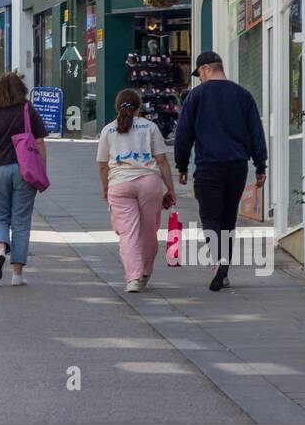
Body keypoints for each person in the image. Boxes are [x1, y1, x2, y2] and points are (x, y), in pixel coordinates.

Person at [172, 50, 267, 292]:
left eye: (199, 74)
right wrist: (260, 165)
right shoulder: (243, 96)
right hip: (237, 166)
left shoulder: (196, 96)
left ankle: (218, 261)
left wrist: (181, 165)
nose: (199, 78)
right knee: (228, 219)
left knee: (210, 217)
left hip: (208, 166)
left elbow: (183, 134)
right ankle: (223, 272)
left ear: (205, 69)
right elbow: (256, 131)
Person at [97, 89, 176, 292]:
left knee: (127, 233)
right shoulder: (150, 127)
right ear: (139, 107)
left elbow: (102, 165)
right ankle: (145, 272)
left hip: (120, 184)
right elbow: (162, 161)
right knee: (149, 231)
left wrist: (106, 189)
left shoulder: (108, 130)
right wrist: (170, 189)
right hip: (149, 183)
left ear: (117, 107)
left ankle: (132, 278)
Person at [0, 72, 47, 286]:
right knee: (21, 222)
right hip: (24, 171)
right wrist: (41, 169)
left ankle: (0, 249)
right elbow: (40, 142)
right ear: (21, 90)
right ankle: (17, 274)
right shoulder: (28, 110)